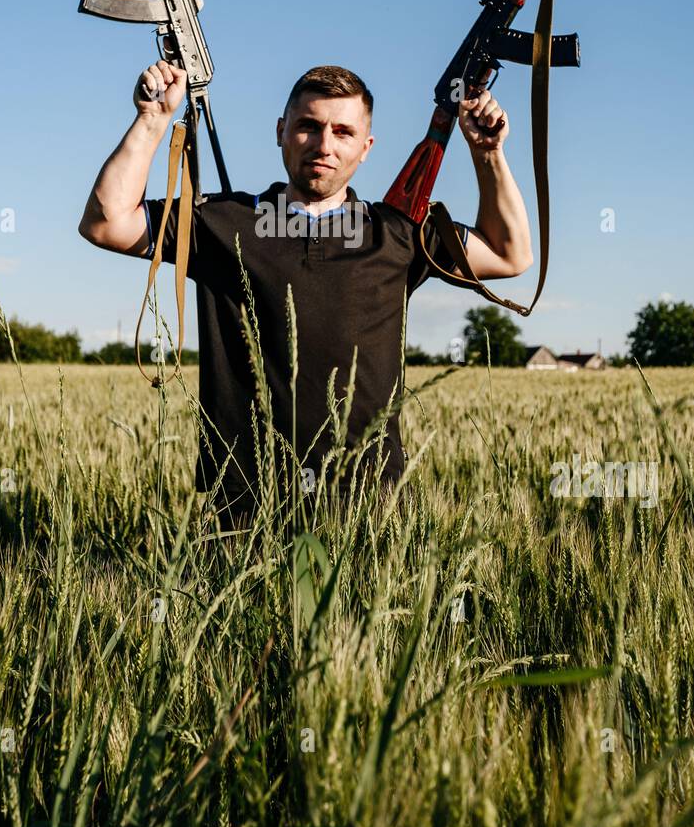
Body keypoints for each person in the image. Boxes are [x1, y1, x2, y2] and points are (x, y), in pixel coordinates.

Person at [78, 62, 532, 523]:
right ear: (281, 131)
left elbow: (508, 253)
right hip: (245, 510)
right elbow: (105, 222)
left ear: (366, 147)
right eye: (308, 127)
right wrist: (153, 119)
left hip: (371, 510)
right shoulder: (222, 222)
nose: (324, 145)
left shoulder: (396, 234)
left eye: (343, 132)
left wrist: (488, 153)